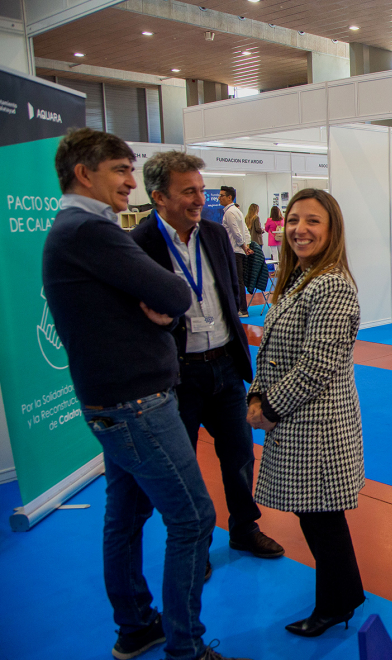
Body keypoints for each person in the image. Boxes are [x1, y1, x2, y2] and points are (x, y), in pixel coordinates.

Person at [42, 128, 247, 660]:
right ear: (84, 174)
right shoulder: (92, 231)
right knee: (194, 517)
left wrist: (152, 308)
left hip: (118, 397)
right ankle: (185, 646)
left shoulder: (74, 232)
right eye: (120, 171)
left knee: (126, 515)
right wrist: (160, 305)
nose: (129, 182)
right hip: (136, 402)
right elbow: (175, 292)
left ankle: (135, 626)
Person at [131, 151, 285, 574]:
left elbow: (230, 292)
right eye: (189, 192)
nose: (201, 199)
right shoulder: (138, 245)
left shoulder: (215, 235)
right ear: (159, 197)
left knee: (238, 455)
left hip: (226, 368)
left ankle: (244, 528)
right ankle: (192, 541)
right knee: (181, 468)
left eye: (202, 190)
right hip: (176, 376)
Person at [246, 189, 366, 637]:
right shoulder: (302, 277)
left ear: (332, 228)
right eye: (294, 219)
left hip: (317, 426)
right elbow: (276, 351)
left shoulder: (332, 283)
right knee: (319, 517)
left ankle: (336, 604)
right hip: (299, 419)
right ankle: (345, 594)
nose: (300, 229)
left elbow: (316, 364)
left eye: (313, 221)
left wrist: (268, 407)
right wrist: (257, 396)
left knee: (321, 518)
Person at [218, 186, 252, 317]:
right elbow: (245, 232)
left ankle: (242, 309)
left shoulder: (230, 212)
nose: (219, 198)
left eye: (221, 195)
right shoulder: (237, 211)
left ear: (229, 197)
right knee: (237, 280)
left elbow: (237, 233)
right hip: (237, 250)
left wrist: (244, 246)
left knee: (237, 281)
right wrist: (246, 245)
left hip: (234, 250)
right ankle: (239, 308)